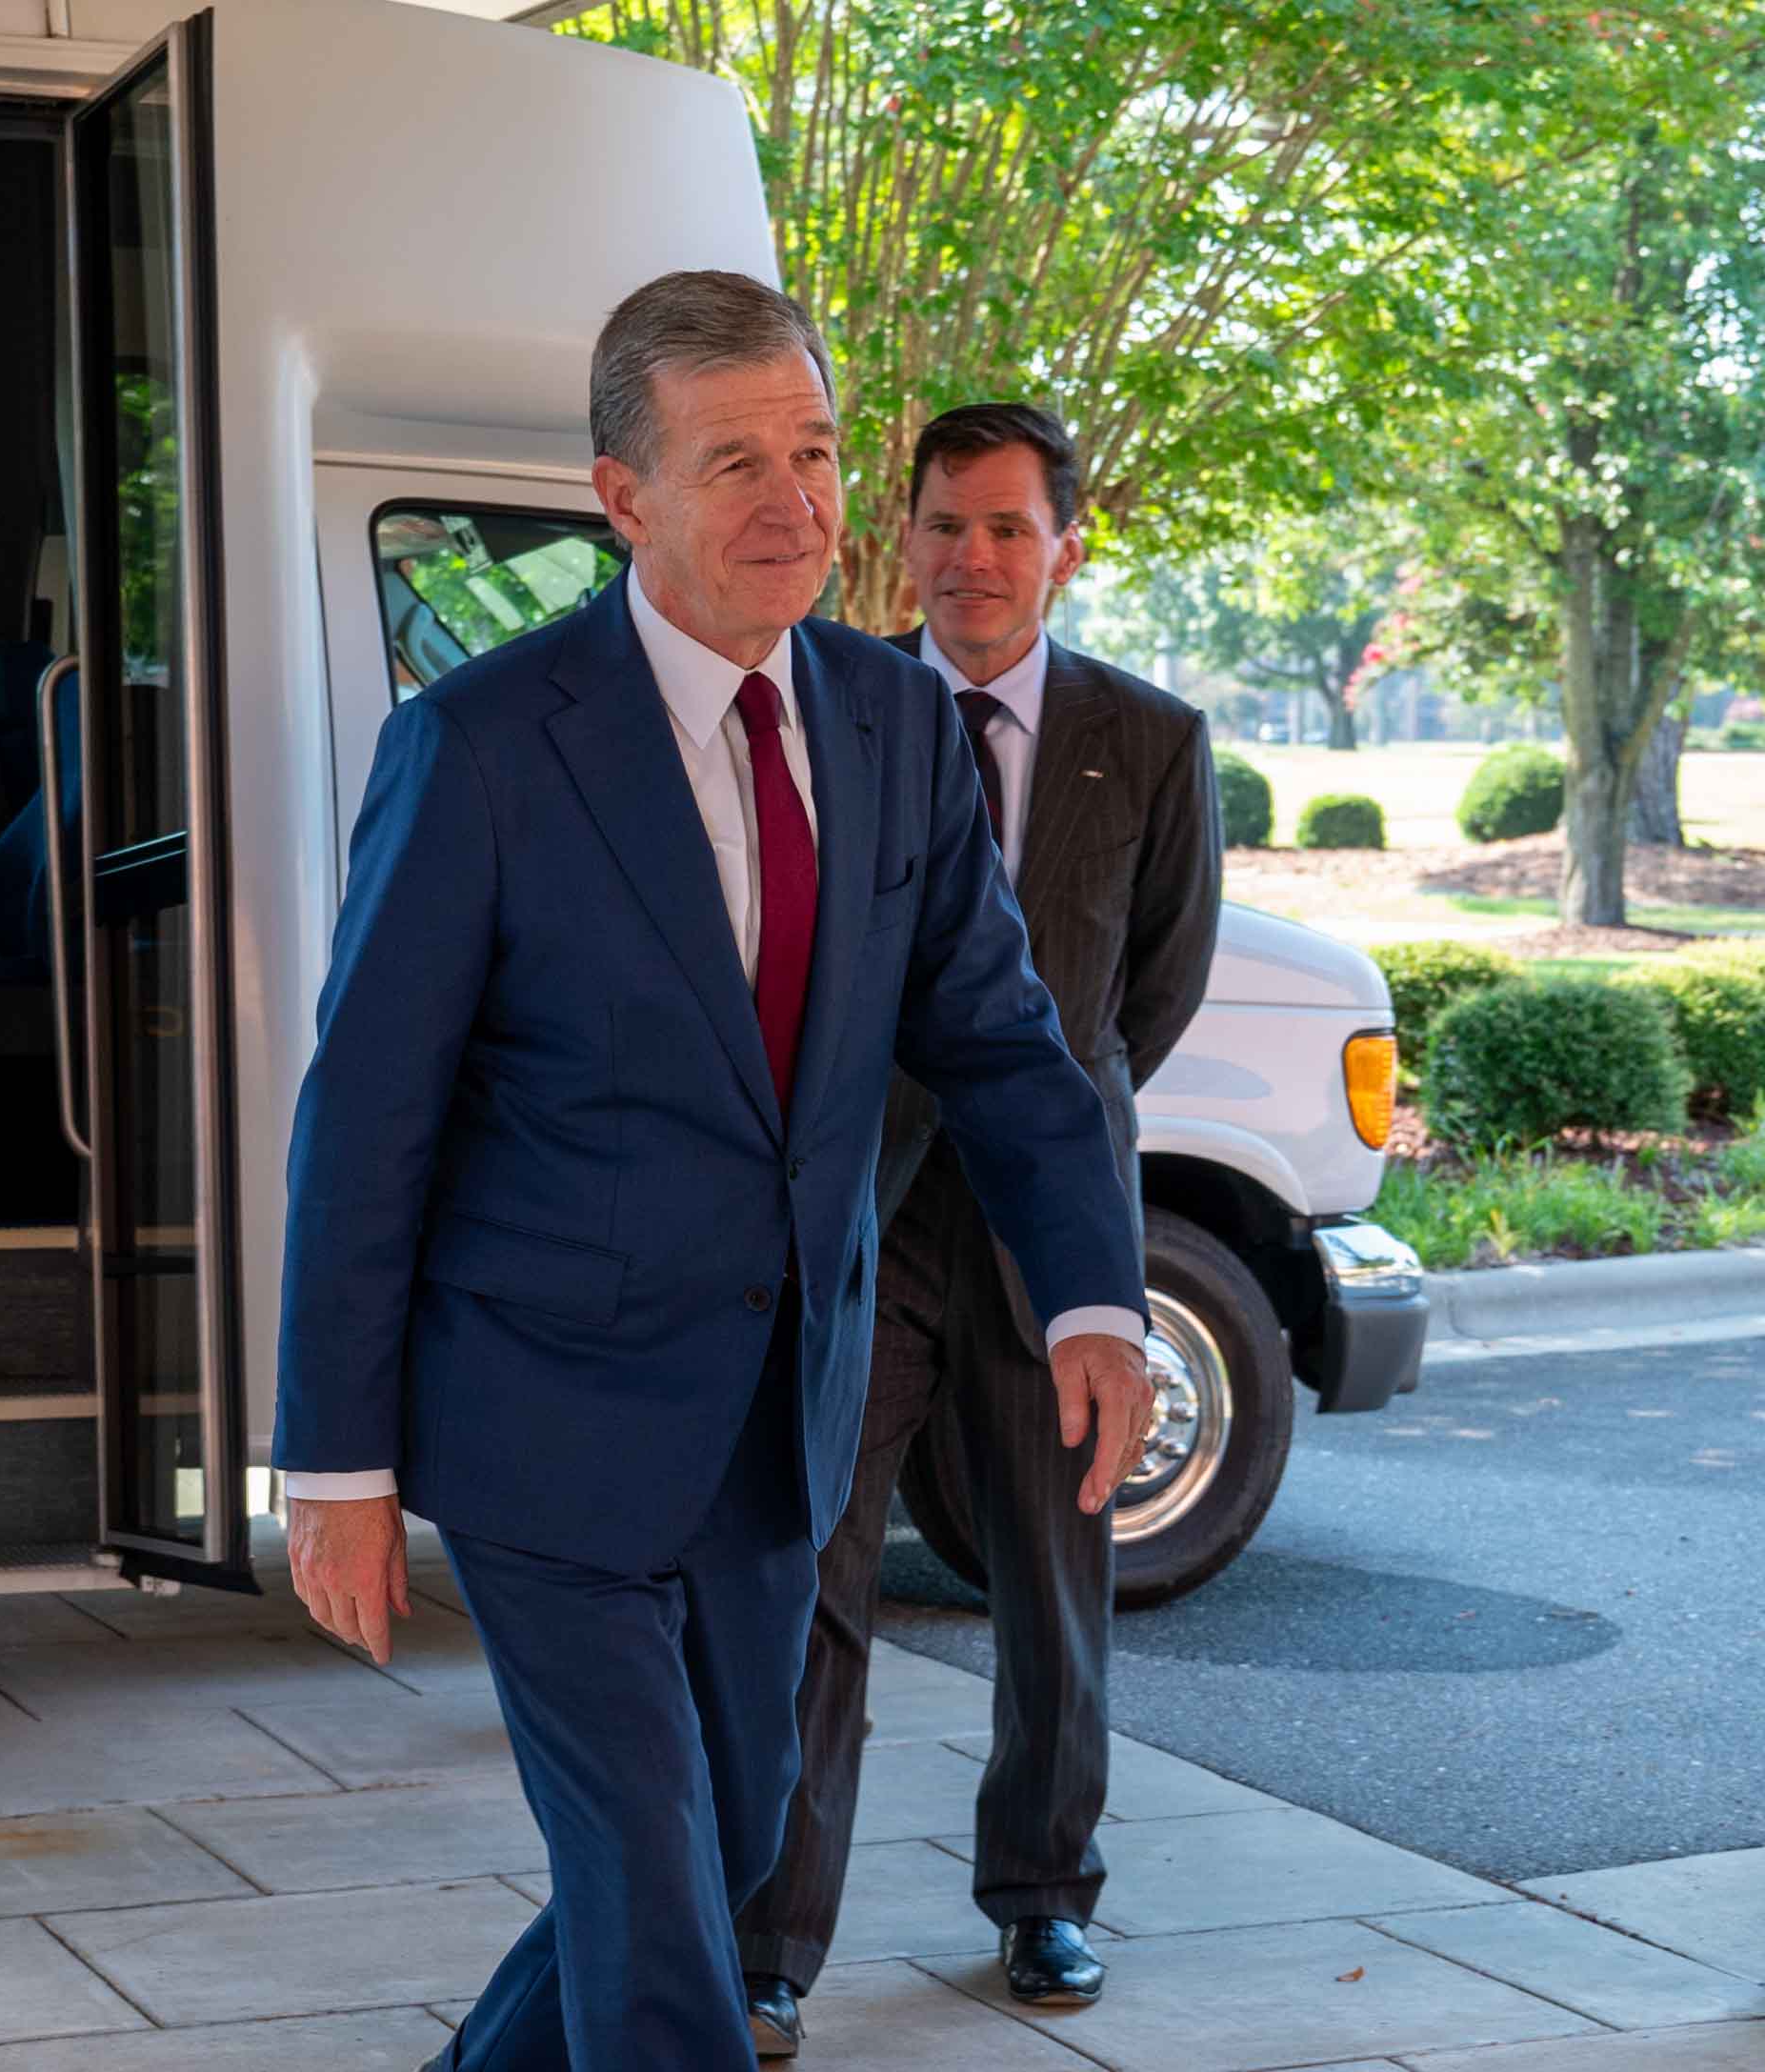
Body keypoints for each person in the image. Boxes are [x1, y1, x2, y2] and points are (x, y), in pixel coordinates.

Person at [271, 271, 1160, 2072]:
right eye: (734, 461)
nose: (794, 502)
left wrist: (1092, 1290)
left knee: (725, 1844)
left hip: (776, 1425)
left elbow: (1007, 1044)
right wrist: (336, 1468)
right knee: (656, 1895)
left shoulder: (895, 725)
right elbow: (363, 1123)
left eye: (815, 452)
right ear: (624, 497)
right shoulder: (483, 747)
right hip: (541, 1424)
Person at [732, 401, 1220, 2051]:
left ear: (1066, 549)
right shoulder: (829, 704)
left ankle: (1044, 1896)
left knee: (1055, 1583)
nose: (974, 559)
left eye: (1010, 528)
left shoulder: (1150, 742)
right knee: (815, 1573)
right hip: (854, 1222)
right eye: (946, 525)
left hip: (1042, 1242)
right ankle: (770, 1938)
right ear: (907, 538)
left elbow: (1144, 1000)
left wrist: (1049, 1161)